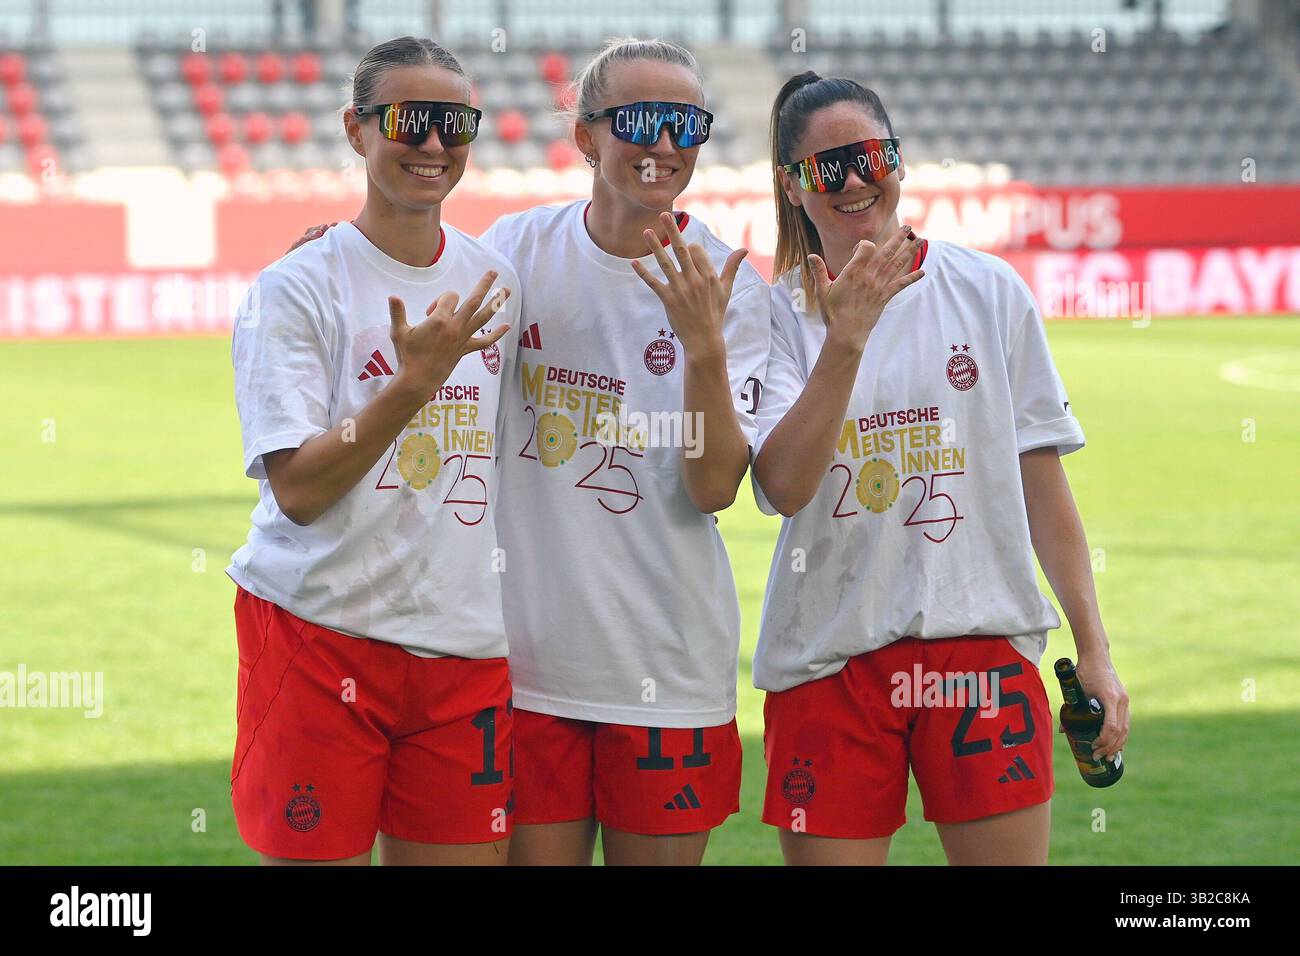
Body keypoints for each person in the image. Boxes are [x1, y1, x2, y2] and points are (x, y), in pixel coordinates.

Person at [752, 71, 1130, 865]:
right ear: (792, 185)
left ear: (898, 158)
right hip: (830, 657)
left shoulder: (989, 289)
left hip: (981, 648)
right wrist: (846, 338)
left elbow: (1040, 480)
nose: (855, 180)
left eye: (870, 155)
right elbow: (781, 488)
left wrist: (1093, 647)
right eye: (828, 167)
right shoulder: (771, 314)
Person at [227, 36, 520, 866]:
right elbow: (300, 492)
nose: (433, 144)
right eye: (410, 121)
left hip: (463, 647)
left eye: (454, 122)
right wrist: (409, 384)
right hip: (319, 632)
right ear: (358, 132)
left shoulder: (497, 278)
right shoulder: (294, 289)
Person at [478, 38, 770, 866]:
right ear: (586, 137)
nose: (666, 145)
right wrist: (330, 259)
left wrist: (703, 347)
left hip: (667, 664)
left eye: (688, 124)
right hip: (528, 666)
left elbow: (714, 487)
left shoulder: (727, 280)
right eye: (643, 120)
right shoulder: (517, 249)